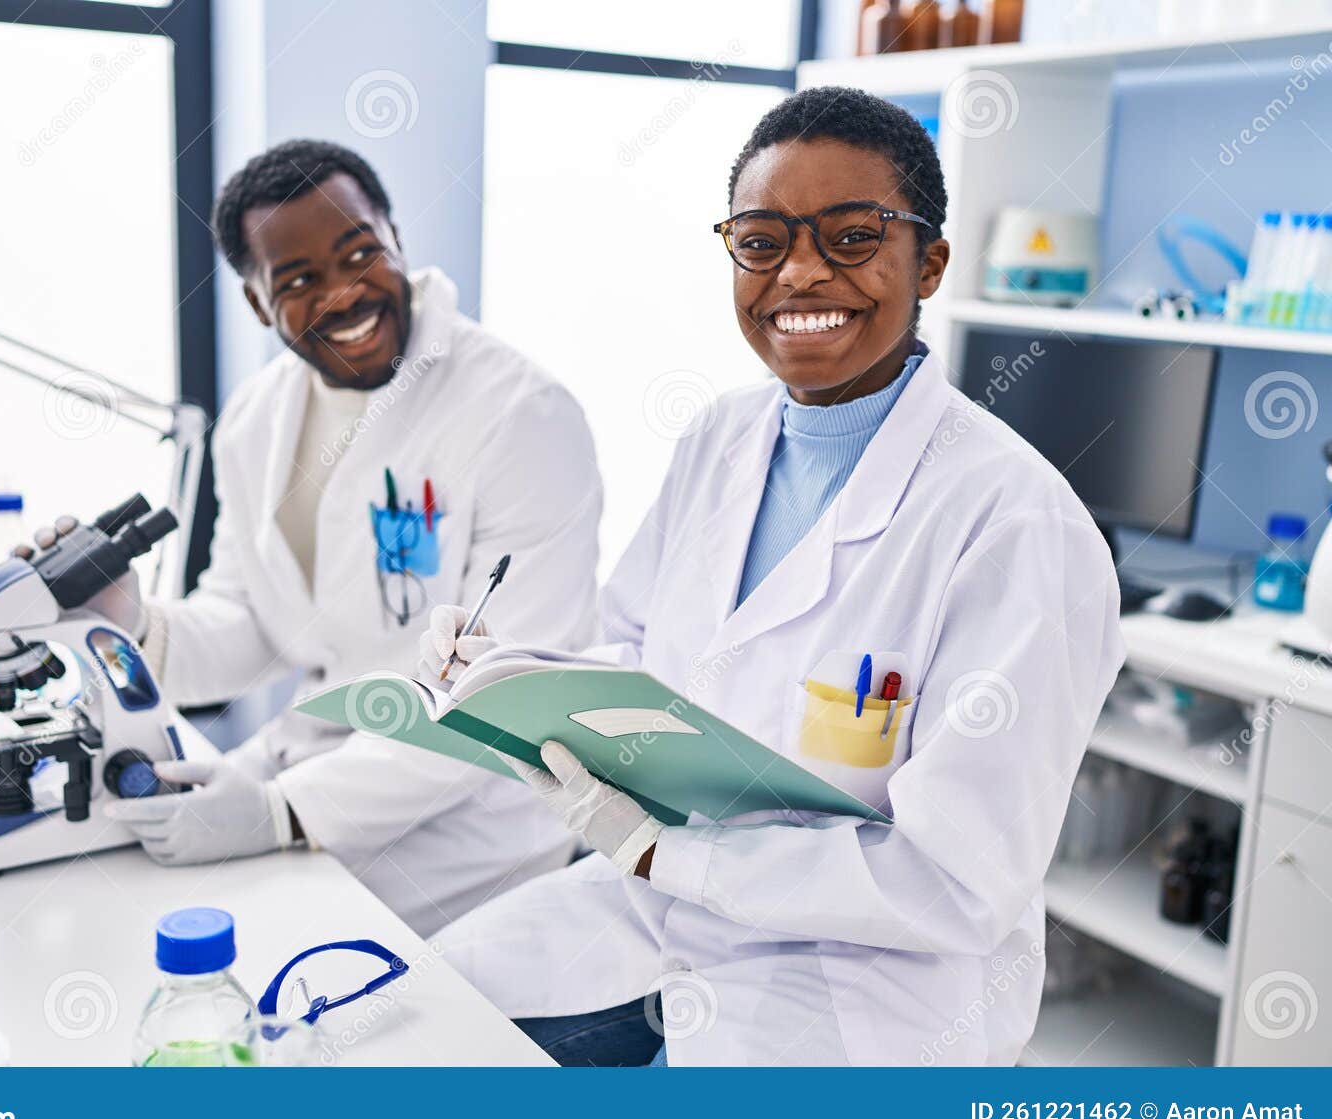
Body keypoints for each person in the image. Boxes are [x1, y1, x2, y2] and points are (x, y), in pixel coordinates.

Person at [418, 88, 1124, 1064]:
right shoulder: (721, 435)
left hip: (866, 988)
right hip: (650, 908)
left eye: (850, 236)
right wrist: (517, 675)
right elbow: (635, 647)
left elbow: (957, 879)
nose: (799, 271)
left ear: (929, 262)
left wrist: (673, 851)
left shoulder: (1017, 524)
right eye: (761, 240)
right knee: (405, 1021)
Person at [23, 140, 602, 937]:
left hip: (477, 825)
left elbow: (505, 699)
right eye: (297, 281)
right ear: (259, 304)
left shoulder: (521, 412)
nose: (344, 294)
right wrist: (132, 621)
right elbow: (253, 624)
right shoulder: (255, 421)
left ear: (395, 237)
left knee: (287, 962)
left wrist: (283, 812)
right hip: (314, 761)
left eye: (360, 253)